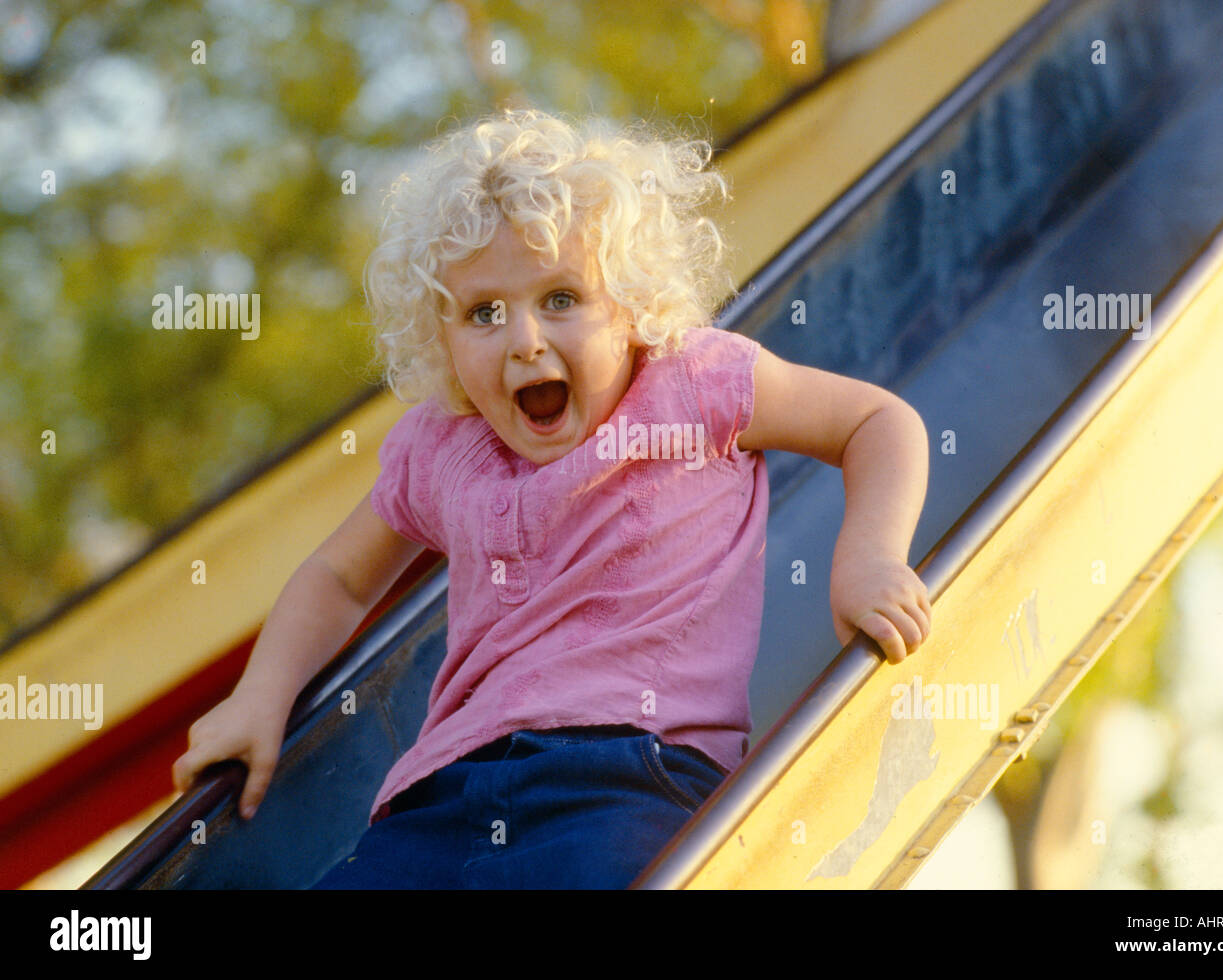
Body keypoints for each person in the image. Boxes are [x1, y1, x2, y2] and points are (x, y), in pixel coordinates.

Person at [171, 106, 932, 889]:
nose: (525, 339)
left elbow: (875, 421)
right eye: (484, 313)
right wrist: (259, 697)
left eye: (561, 298)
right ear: (442, 336)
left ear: (632, 305)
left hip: (629, 777)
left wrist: (869, 557)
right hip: (440, 798)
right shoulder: (440, 448)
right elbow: (338, 577)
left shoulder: (695, 384)